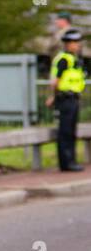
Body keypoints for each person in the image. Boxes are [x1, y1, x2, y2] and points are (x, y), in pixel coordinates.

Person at [46, 28, 85, 173]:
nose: (77, 45)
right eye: (74, 42)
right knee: (65, 132)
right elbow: (55, 81)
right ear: (67, 44)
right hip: (65, 99)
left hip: (73, 98)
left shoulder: (74, 59)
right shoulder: (63, 59)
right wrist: (54, 96)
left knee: (71, 131)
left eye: (77, 42)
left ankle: (71, 161)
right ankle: (66, 163)